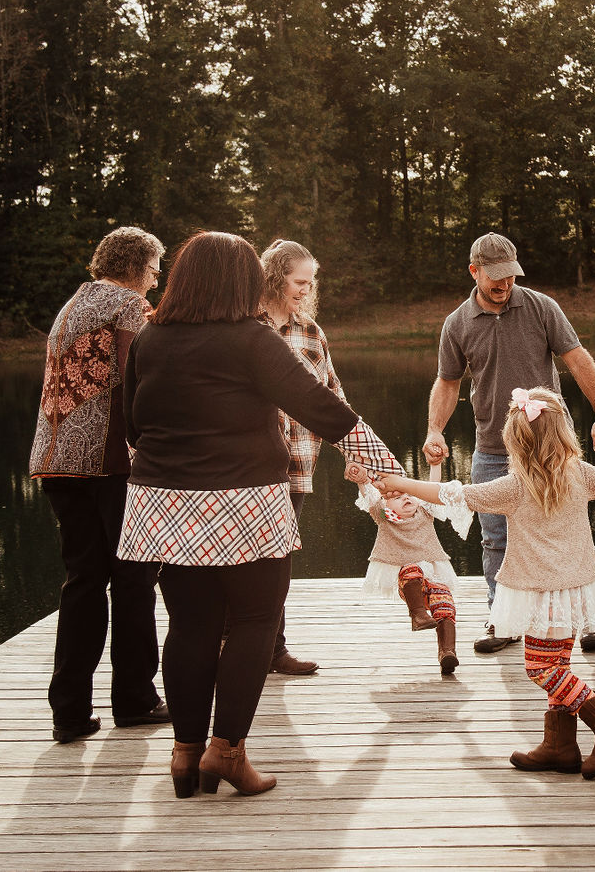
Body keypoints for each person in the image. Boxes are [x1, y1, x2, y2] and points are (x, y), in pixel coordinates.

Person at [115, 232, 403, 798]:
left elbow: (131, 425)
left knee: (190, 626)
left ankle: (184, 755)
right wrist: (386, 467)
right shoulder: (253, 340)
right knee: (254, 622)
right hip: (244, 501)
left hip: (164, 503)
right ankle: (226, 753)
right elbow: (320, 407)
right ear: (240, 280)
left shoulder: (151, 338)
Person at [379, 386, 595, 779]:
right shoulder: (580, 473)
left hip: (538, 589)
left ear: (514, 442)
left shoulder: (515, 486)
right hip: (577, 586)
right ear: (564, 433)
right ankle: (560, 746)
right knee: (558, 663)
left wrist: (402, 484)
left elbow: (455, 494)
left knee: (540, 668)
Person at [424, 232, 595, 655]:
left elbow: (578, 360)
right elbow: (447, 381)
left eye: (510, 276)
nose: (504, 285)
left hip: (553, 448)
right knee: (495, 537)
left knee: (573, 530)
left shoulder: (541, 307)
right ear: (474, 271)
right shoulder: (457, 323)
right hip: (493, 449)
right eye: (495, 278)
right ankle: (504, 619)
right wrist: (435, 430)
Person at [28, 226, 170, 744]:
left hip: (56, 460)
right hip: (108, 464)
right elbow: (142, 382)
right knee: (134, 579)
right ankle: (135, 700)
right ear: (135, 266)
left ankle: (69, 710)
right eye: (154, 269)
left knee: (83, 581)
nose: (156, 282)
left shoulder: (74, 304)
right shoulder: (128, 305)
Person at [254, 239, 341, 676]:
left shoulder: (309, 331)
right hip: (248, 465)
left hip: (297, 464)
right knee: (245, 560)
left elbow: (332, 397)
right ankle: (239, 648)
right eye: (298, 282)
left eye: (311, 283)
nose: (306, 290)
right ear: (274, 278)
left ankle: (274, 650)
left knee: (279, 559)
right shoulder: (246, 325)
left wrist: (356, 454)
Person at [346, 466, 471, 676]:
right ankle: (418, 615)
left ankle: (447, 652)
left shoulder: (425, 511)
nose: (405, 498)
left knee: (445, 605)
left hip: (433, 575)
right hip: (409, 581)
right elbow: (368, 495)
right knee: (412, 569)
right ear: (385, 503)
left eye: (408, 495)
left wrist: (435, 465)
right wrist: (361, 480)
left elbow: (433, 488)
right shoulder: (382, 515)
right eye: (397, 497)